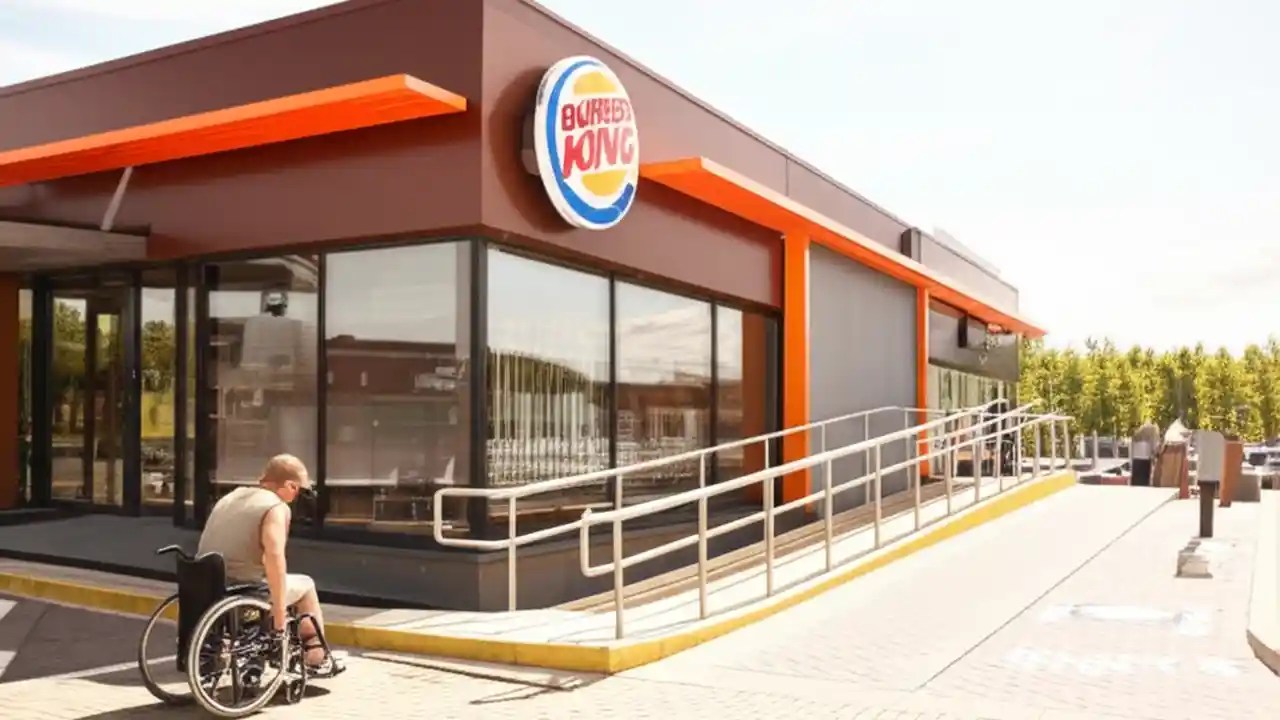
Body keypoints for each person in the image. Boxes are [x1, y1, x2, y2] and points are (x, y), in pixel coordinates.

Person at [197, 454, 345, 676]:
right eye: (299, 490)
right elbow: (274, 558)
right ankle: (316, 658)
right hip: (244, 588)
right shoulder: (276, 507)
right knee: (305, 585)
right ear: (288, 485)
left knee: (278, 582)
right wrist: (278, 612)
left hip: (208, 583)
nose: (297, 498)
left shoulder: (230, 497)